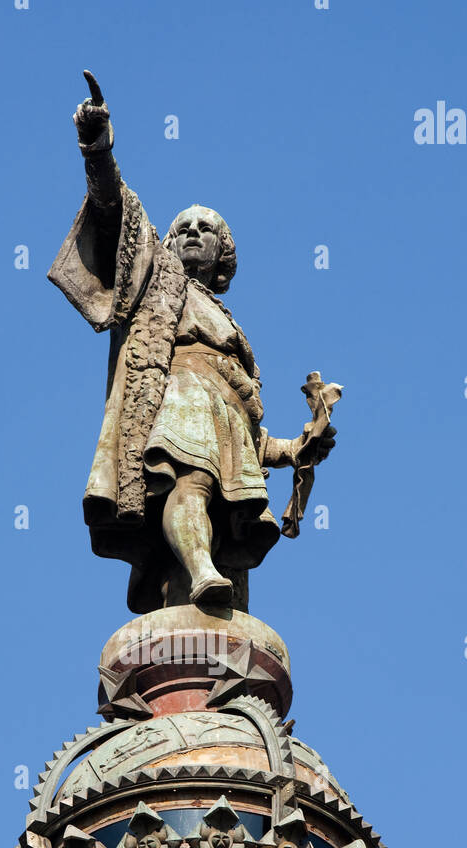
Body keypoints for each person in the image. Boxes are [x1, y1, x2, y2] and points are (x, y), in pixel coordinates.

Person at [48, 73, 338, 614]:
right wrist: (97, 151)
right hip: (174, 398)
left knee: (220, 503)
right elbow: (115, 213)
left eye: (207, 228)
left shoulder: (230, 330)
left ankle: (208, 577)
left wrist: (298, 449)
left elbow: (250, 436)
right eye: (182, 228)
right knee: (191, 482)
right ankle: (200, 570)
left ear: (224, 254)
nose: (192, 233)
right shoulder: (154, 275)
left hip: (222, 416)